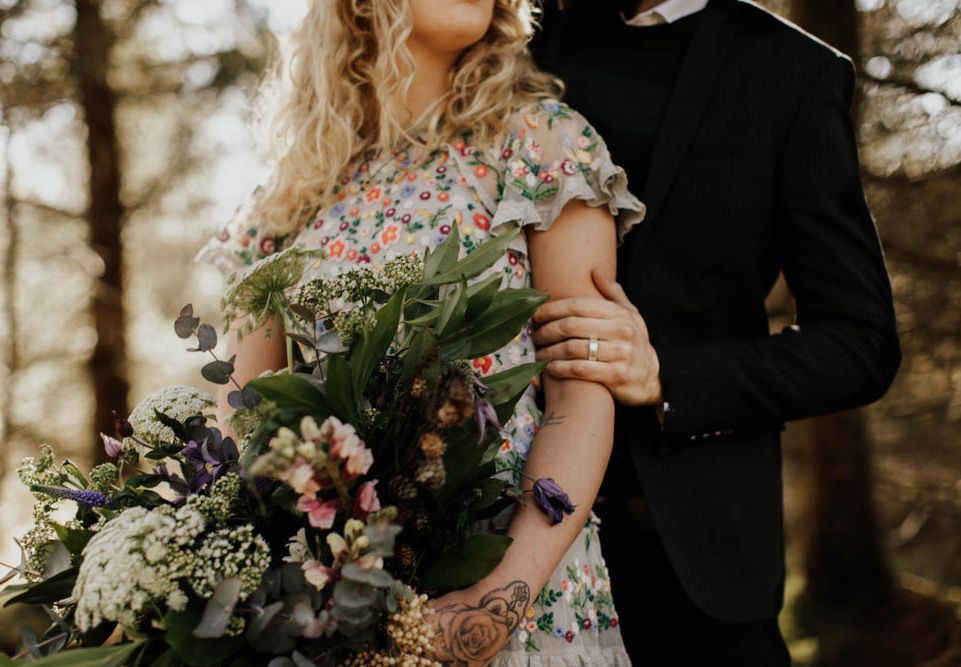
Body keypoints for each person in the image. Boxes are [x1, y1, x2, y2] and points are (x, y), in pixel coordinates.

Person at [196, 0, 644, 664]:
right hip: (340, 602)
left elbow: (580, 394)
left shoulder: (541, 143)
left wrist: (497, 600)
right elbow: (246, 421)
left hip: (520, 583)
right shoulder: (287, 198)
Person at [529, 0, 901, 664]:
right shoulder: (507, 41)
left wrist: (667, 378)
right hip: (496, 531)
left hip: (694, 560)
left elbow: (860, 341)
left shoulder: (793, 72)